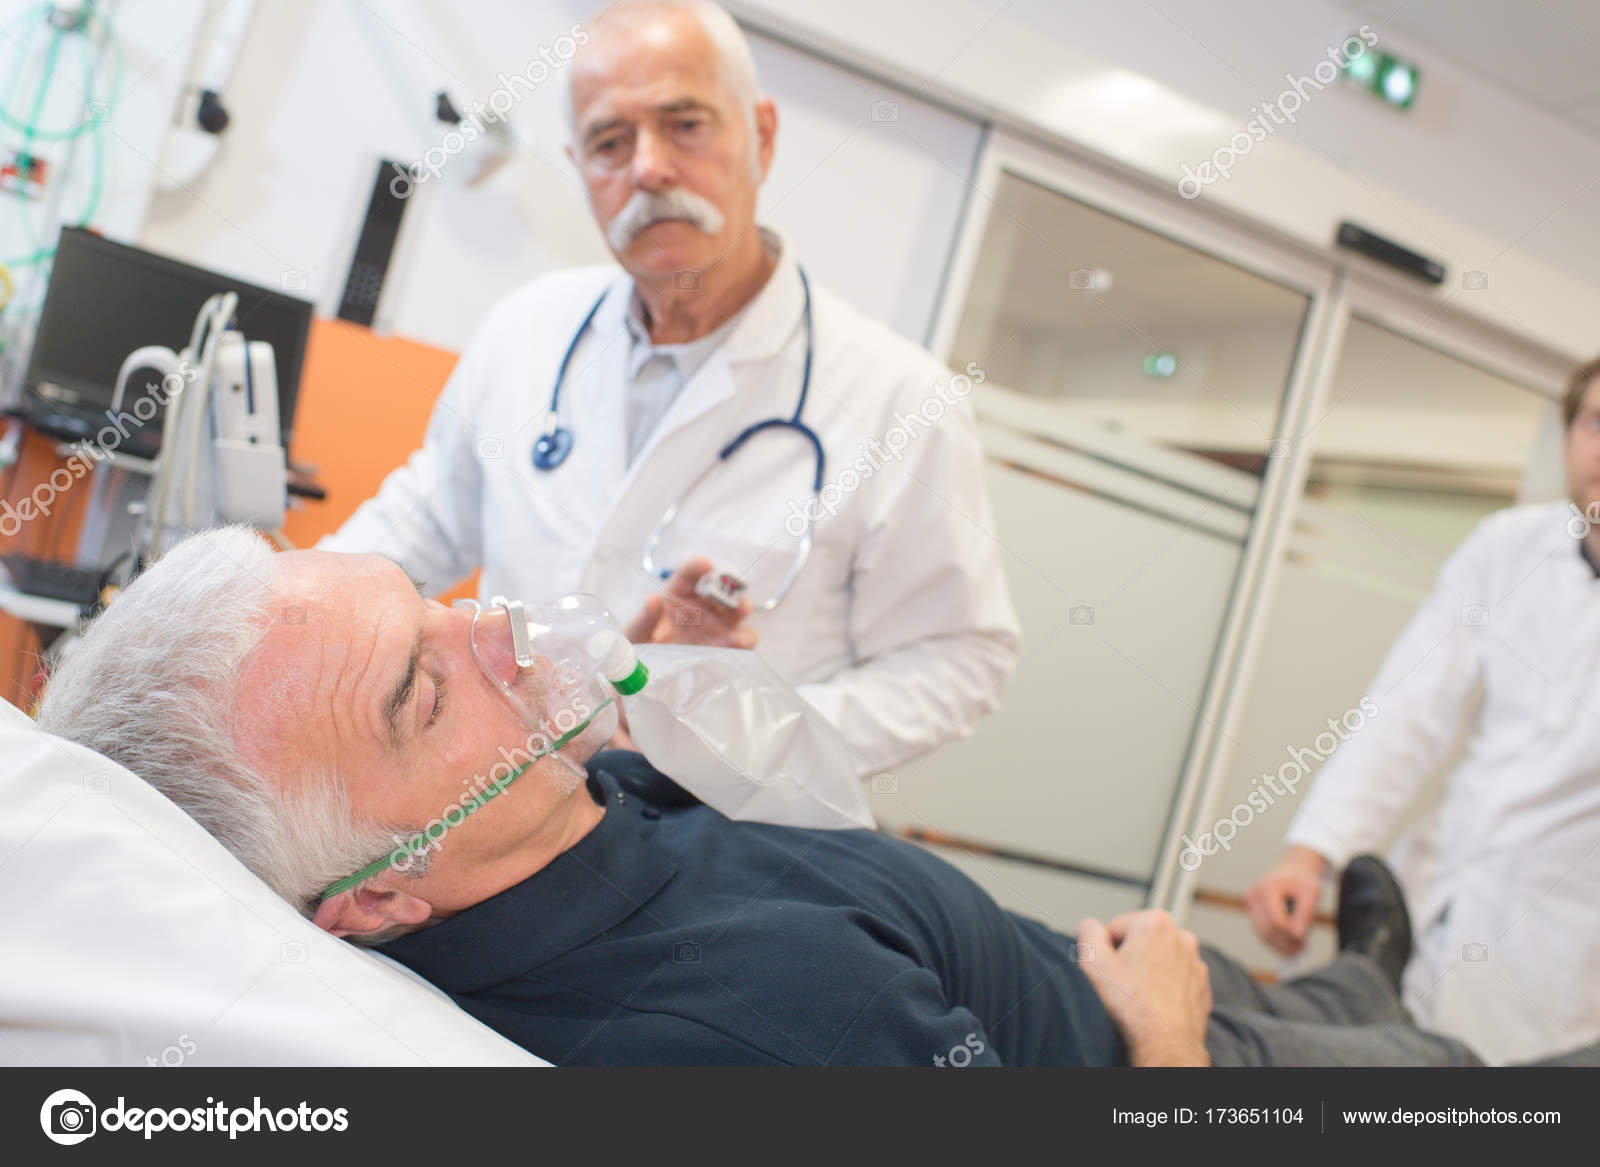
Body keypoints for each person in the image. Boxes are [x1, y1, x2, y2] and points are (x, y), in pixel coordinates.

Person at [35, 530, 1598, 1067]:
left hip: (1069, 962)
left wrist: (635, 694)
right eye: (424, 684)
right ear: (376, 893)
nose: (492, 629)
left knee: (1325, 981)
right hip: (1157, 1040)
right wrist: (1172, 1038)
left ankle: (1352, 967)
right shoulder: (751, 1040)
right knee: (1439, 1061)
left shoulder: (534, 823)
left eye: (433, 598)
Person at [319, 0, 1019, 783]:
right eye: (610, 142)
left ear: (762, 136)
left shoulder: (899, 399)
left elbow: (960, 658)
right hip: (499, 803)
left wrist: (737, 732)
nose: (648, 167)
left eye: (685, 124)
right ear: (579, 165)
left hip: (716, 839)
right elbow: (421, 523)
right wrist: (282, 606)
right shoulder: (527, 330)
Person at [1245, 354, 1600, 1065]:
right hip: (1429, 902)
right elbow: (1407, 708)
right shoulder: (1508, 547)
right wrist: (1312, 855)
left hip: (1561, 960)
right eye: (1598, 423)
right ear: (1568, 438)